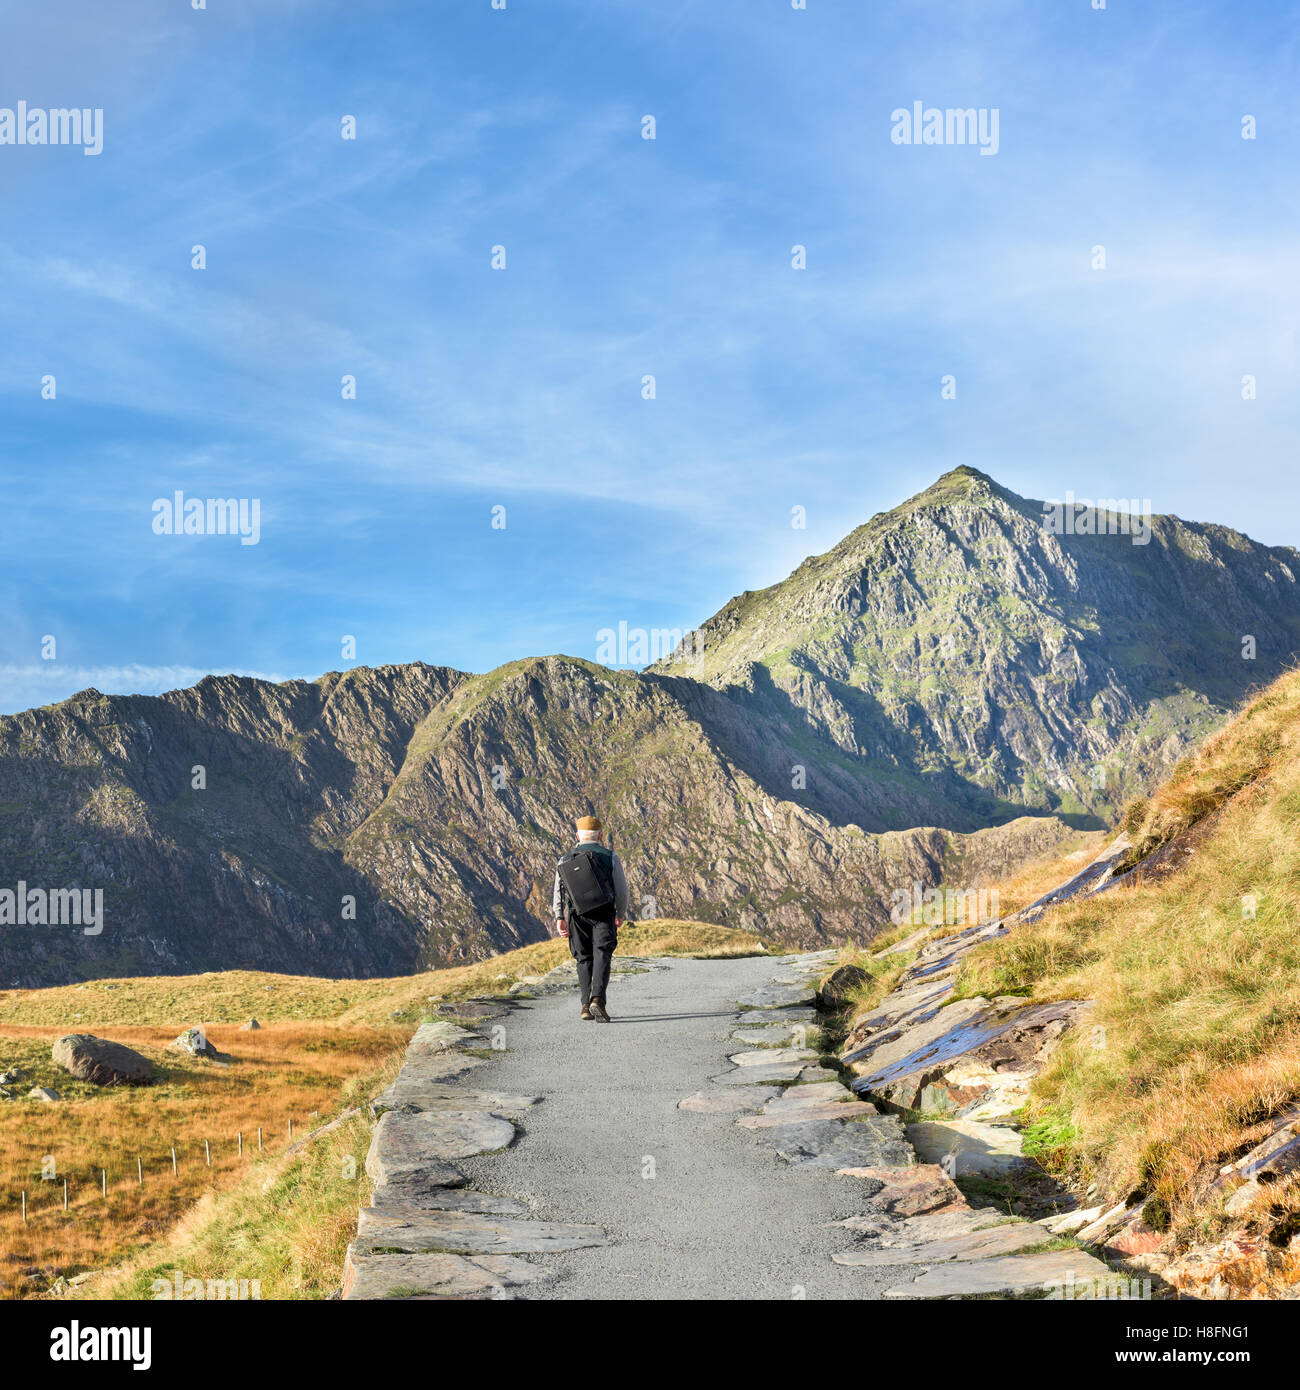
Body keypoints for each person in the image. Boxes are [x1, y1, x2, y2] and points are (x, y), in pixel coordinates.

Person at [552, 815, 628, 1022]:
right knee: (602, 954)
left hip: (577, 915)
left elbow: (559, 891)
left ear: (577, 836)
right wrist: (620, 914)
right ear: (600, 835)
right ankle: (598, 1001)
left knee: (583, 958)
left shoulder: (565, 859)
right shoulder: (610, 856)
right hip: (604, 912)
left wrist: (560, 917)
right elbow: (621, 890)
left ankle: (585, 1005)